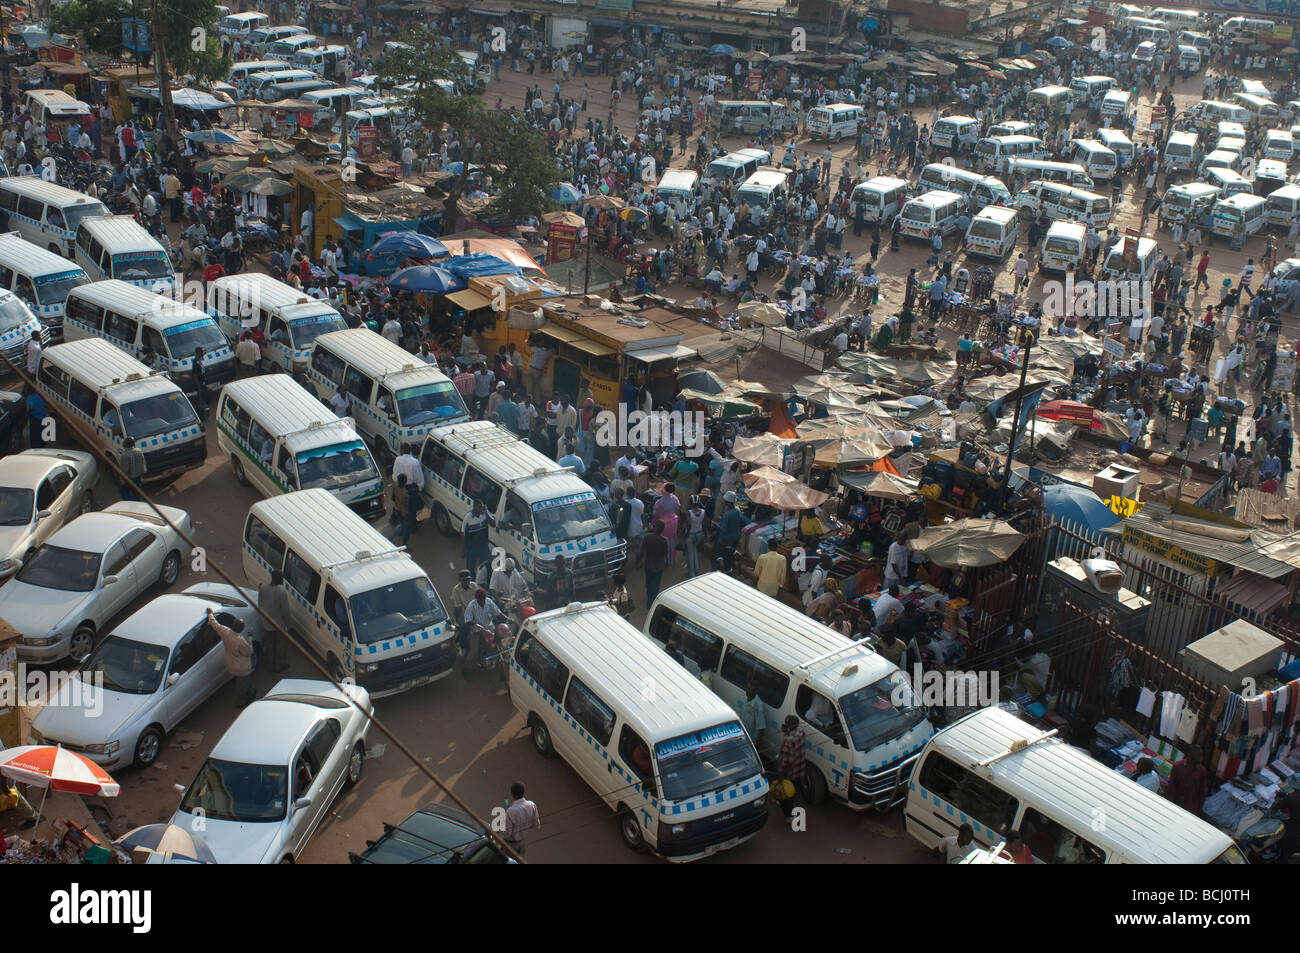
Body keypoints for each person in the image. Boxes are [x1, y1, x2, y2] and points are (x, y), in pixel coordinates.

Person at [208, 608, 255, 706]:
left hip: (231, 663)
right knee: (242, 684)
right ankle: (241, 701)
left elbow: (215, 625)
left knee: (243, 681)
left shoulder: (225, 631)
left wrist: (210, 615)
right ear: (242, 629)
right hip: (242, 667)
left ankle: (250, 692)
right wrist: (250, 637)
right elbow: (249, 652)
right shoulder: (241, 641)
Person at [257, 570, 292, 673]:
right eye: (282, 577)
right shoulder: (282, 592)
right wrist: (288, 625)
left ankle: (269, 665)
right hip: (279, 625)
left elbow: (260, 604)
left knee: (269, 645)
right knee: (280, 646)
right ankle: (279, 666)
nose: (283, 580)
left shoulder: (263, 588)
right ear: (278, 579)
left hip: (267, 624)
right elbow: (285, 611)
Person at [462, 586, 504, 671]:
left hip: (490, 629)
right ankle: (467, 668)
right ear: (477, 599)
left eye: (483, 598)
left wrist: (507, 619)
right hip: (477, 631)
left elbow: (498, 613)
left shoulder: (489, 601)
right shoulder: (471, 605)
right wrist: (477, 626)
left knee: (502, 643)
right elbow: (467, 620)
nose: (483, 600)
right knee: (474, 651)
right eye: (481, 599)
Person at [1165, 747, 1208, 816]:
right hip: (1175, 805)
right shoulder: (1177, 766)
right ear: (1190, 755)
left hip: (1190, 810)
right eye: (1199, 756)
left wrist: (1198, 809)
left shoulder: (1202, 771)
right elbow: (1171, 787)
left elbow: (1202, 791)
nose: (1201, 759)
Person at [503, 781, 541, 858]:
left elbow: (508, 833)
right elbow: (537, 826)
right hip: (522, 843)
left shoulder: (510, 811)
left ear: (512, 794)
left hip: (510, 845)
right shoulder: (532, 805)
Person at [462, 500, 495, 577]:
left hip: (483, 546)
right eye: (479, 507)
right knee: (470, 569)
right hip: (472, 547)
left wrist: (486, 513)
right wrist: (463, 549)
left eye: (482, 507)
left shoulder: (485, 514)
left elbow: (493, 524)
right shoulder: (468, 517)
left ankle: (482, 582)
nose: (481, 509)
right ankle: (471, 583)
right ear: (474, 507)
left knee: (485, 567)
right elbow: (463, 533)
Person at [715, 490, 744, 572]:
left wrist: (716, 525)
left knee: (720, 556)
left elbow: (723, 529)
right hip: (735, 539)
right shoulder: (737, 511)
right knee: (730, 557)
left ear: (728, 502)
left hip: (725, 540)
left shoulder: (727, 514)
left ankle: (721, 569)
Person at [643, 519, 669, 607]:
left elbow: (643, 550)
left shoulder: (647, 537)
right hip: (658, 566)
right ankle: (651, 602)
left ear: (654, 527)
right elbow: (665, 553)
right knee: (655, 585)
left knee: (649, 582)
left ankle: (649, 599)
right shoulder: (664, 540)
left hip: (648, 564)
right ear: (662, 529)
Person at [778, 714, 806, 788]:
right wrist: (787, 731)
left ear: (789, 725)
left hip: (791, 770)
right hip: (799, 766)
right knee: (795, 786)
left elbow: (784, 760)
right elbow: (794, 734)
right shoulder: (801, 731)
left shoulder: (788, 740)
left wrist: (781, 773)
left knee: (788, 789)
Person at [116, 436, 147, 501]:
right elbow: (142, 463)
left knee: (123, 491)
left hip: (130, 477)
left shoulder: (124, 454)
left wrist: (123, 480)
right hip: (138, 475)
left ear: (125, 444)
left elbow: (125, 469)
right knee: (137, 490)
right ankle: (138, 500)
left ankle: (129, 502)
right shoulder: (139, 451)